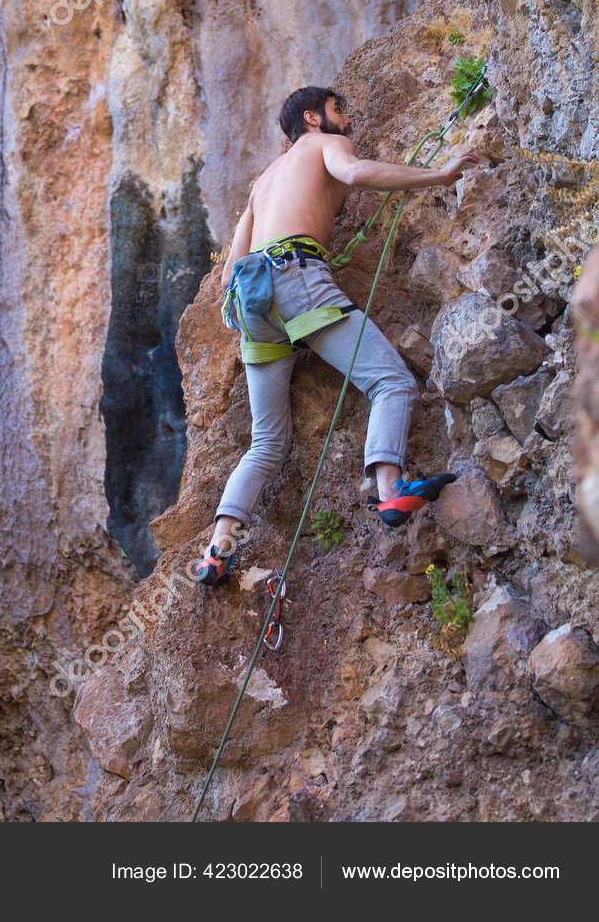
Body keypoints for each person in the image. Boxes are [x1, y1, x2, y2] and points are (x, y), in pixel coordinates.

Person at [193, 85, 479, 585]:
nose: (346, 120)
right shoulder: (323, 145)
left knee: (266, 442)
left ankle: (217, 549)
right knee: (390, 382)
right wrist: (442, 172)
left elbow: (227, 272)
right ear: (312, 117)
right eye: (337, 110)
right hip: (295, 277)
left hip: (250, 300)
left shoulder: (263, 182)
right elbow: (358, 173)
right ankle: (390, 490)